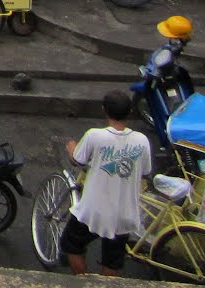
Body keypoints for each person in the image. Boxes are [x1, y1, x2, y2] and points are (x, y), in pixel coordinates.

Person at [62, 90, 152, 278]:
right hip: (125, 212)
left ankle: (85, 281)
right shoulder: (142, 141)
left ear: (104, 110)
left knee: (72, 244)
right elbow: (144, 171)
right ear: (130, 112)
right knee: (113, 259)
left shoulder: (95, 136)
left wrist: (71, 148)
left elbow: (77, 160)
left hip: (95, 210)